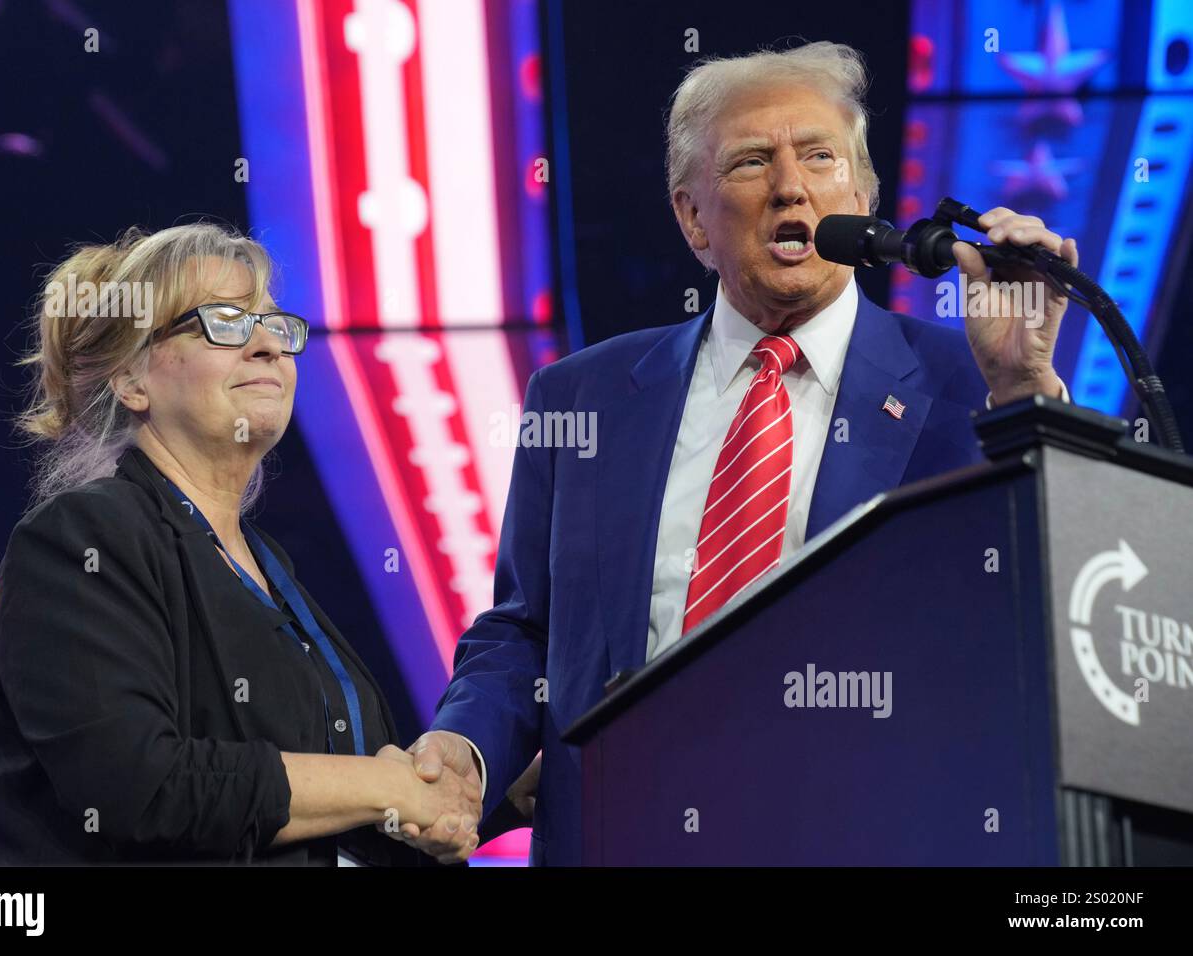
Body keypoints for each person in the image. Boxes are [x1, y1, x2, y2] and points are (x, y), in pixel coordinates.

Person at [393, 40, 1080, 865]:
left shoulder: (969, 384)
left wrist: (1025, 390)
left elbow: (1047, 611)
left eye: (821, 158)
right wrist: (465, 755)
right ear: (692, 218)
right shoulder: (582, 398)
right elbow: (522, 635)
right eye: (753, 162)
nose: (792, 185)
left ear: (861, 194)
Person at [0, 223, 480, 864]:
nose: (267, 344)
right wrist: (385, 786)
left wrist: (473, 792)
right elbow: (139, 786)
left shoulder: (270, 565)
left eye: (273, 324)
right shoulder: (79, 538)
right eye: (225, 322)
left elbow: (320, 816)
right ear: (132, 380)